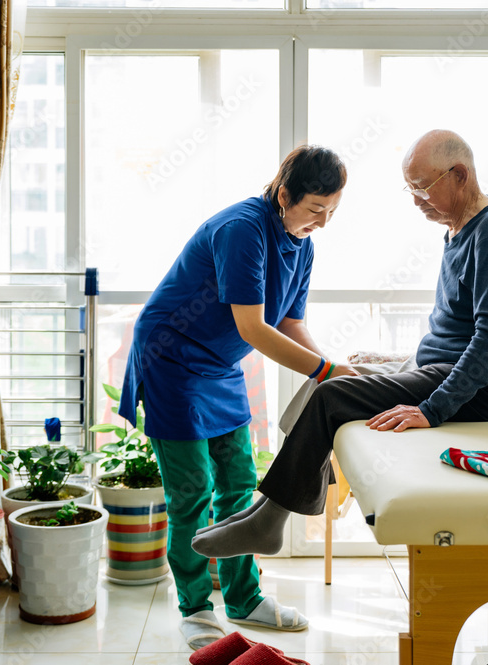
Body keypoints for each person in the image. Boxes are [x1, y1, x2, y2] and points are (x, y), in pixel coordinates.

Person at [192, 129, 488, 559]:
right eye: (410, 189)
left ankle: (271, 522)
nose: (416, 200)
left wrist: (430, 410)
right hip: (445, 369)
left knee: (332, 392)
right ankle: (267, 506)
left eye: (423, 187)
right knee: (343, 372)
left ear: (459, 175)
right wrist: (398, 362)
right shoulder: (458, 229)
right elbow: (455, 333)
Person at [118, 145, 360, 650]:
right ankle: (195, 607)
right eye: (316, 208)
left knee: (240, 482)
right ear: (284, 193)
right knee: (192, 491)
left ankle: (244, 598)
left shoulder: (303, 244)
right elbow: (253, 327)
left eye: (333, 212)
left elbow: (291, 322)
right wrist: (325, 369)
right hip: (171, 359)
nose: (323, 221)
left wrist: (332, 373)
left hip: (220, 365)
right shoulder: (242, 229)